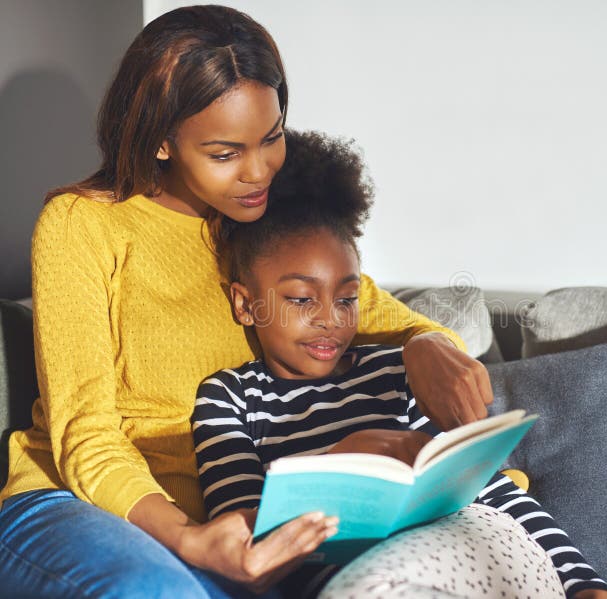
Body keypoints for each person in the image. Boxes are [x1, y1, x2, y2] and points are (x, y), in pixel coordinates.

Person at [0, 6, 497, 597]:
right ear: (160, 139)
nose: (259, 172)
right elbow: (85, 436)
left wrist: (430, 343)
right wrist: (187, 536)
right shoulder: (82, 226)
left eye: (272, 137)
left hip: (238, 521)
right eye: (224, 153)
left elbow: (380, 316)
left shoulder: (265, 220)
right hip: (85, 504)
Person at [191, 129, 607, 599]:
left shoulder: (396, 373)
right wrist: (343, 458)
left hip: (479, 549)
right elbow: (247, 549)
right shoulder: (228, 398)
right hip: (363, 580)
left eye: (348, 298)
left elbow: (492, 492)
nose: (330, 319)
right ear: (246, 304)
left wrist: (583, 581)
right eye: (300, 298)